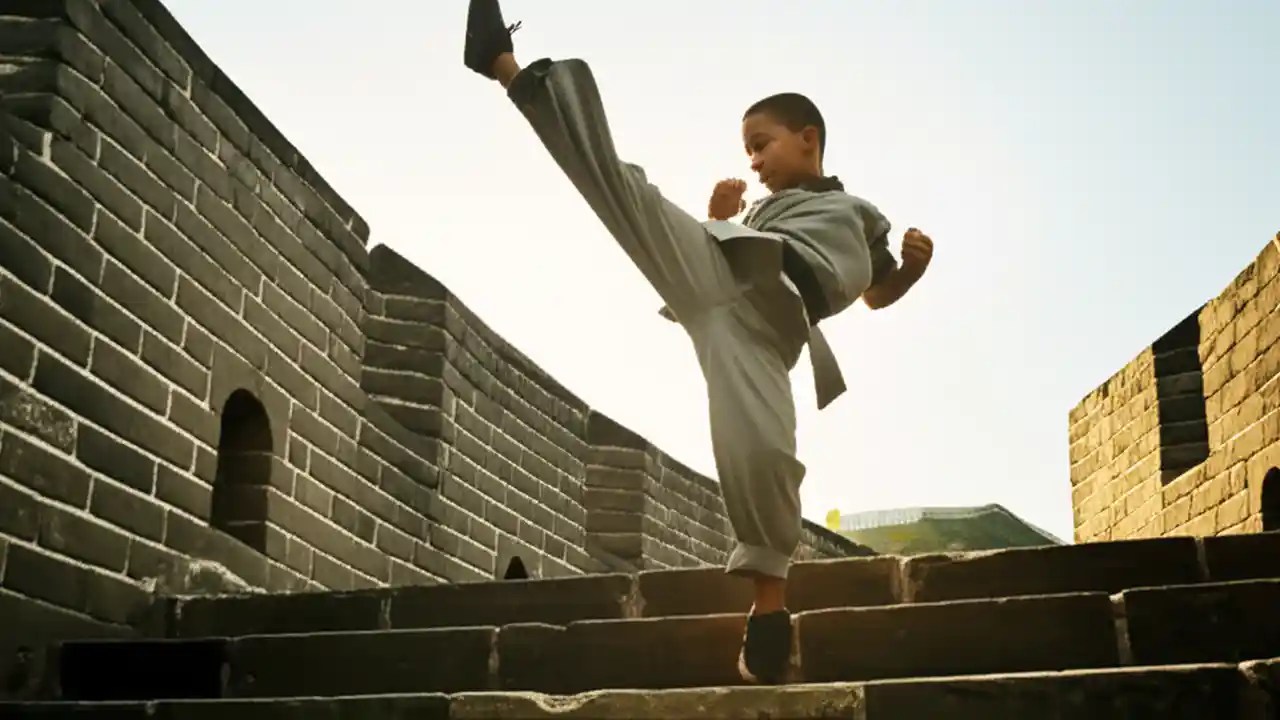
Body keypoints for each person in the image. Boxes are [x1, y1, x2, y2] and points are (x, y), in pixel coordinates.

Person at [464, 0, 934, 685]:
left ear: (808, 138)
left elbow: (874, 293)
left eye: (762, 142)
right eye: (747, 147)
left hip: (769, 336)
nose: (753, 157)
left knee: (765, 451)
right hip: (718, 281)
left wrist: (913, 270)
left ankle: (767, 611)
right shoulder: (755, 212)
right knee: (625, 190)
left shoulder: (859, 215)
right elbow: (720, 238)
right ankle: (506, 67)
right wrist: (717, 217)